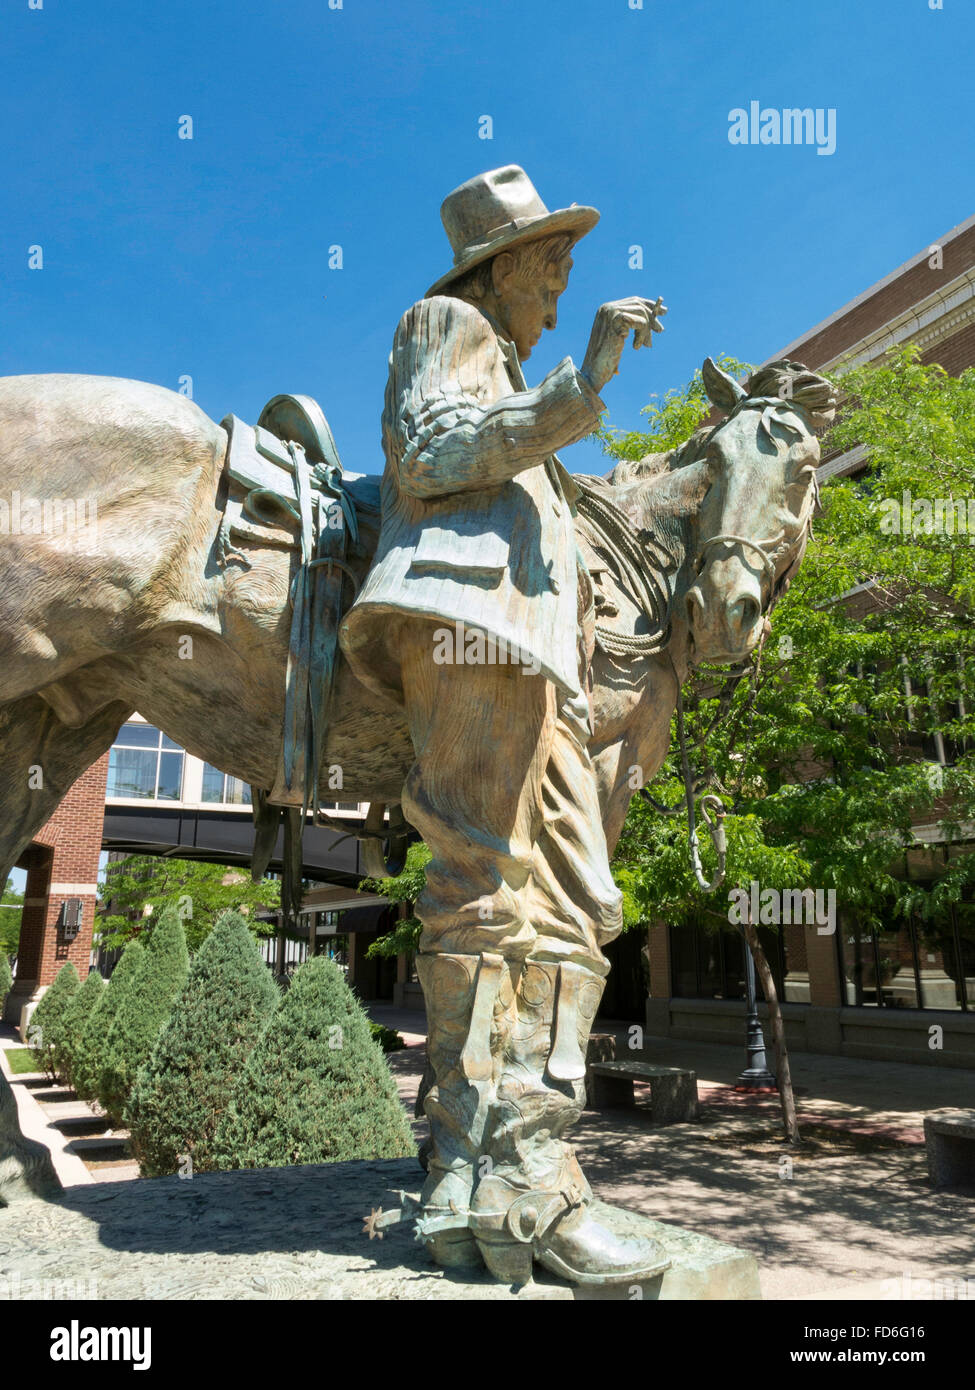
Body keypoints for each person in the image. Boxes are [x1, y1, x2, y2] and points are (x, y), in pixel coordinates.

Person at [340, 165, 669, 1285]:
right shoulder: (447, 323)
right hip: (465, 627)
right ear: (502, 269)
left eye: (568, 271)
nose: (561, 291)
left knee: (579, 904)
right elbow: (430, 454)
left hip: (537, 665)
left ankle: (499, 1170)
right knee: (484, 886)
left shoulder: (524, 380)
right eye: (551, 270)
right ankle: (505, 1192)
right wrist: (584, 388)